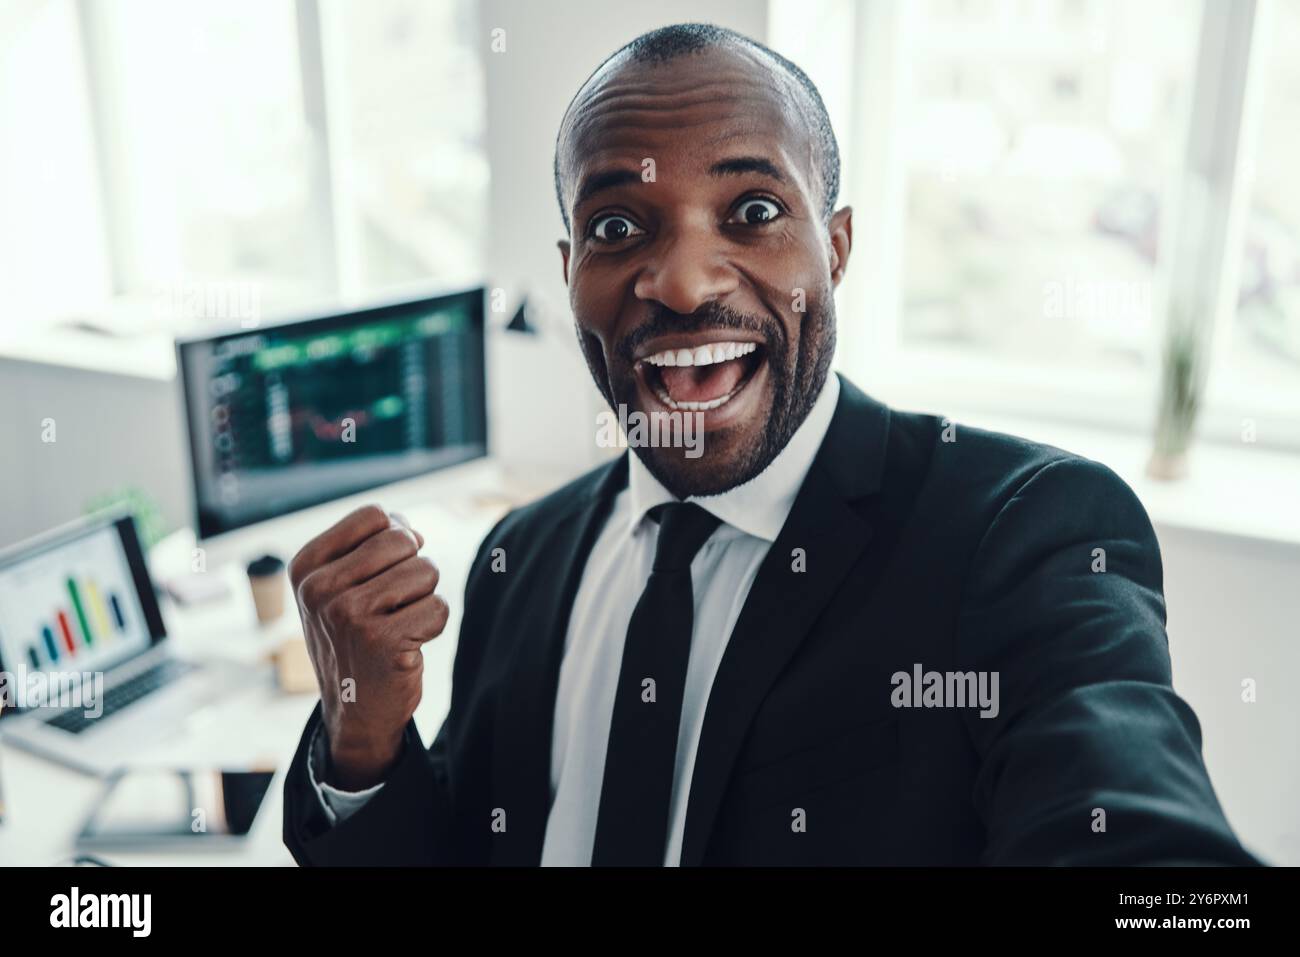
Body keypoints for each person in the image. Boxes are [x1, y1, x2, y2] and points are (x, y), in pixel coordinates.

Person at [282, 23, 1257, 866]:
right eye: (617, 225)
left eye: (751, 212)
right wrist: (362, 744)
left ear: (833, 248)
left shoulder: (1022, 533)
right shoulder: (518, 559)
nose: (682, 281)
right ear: (570, 268)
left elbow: (1118, 823)